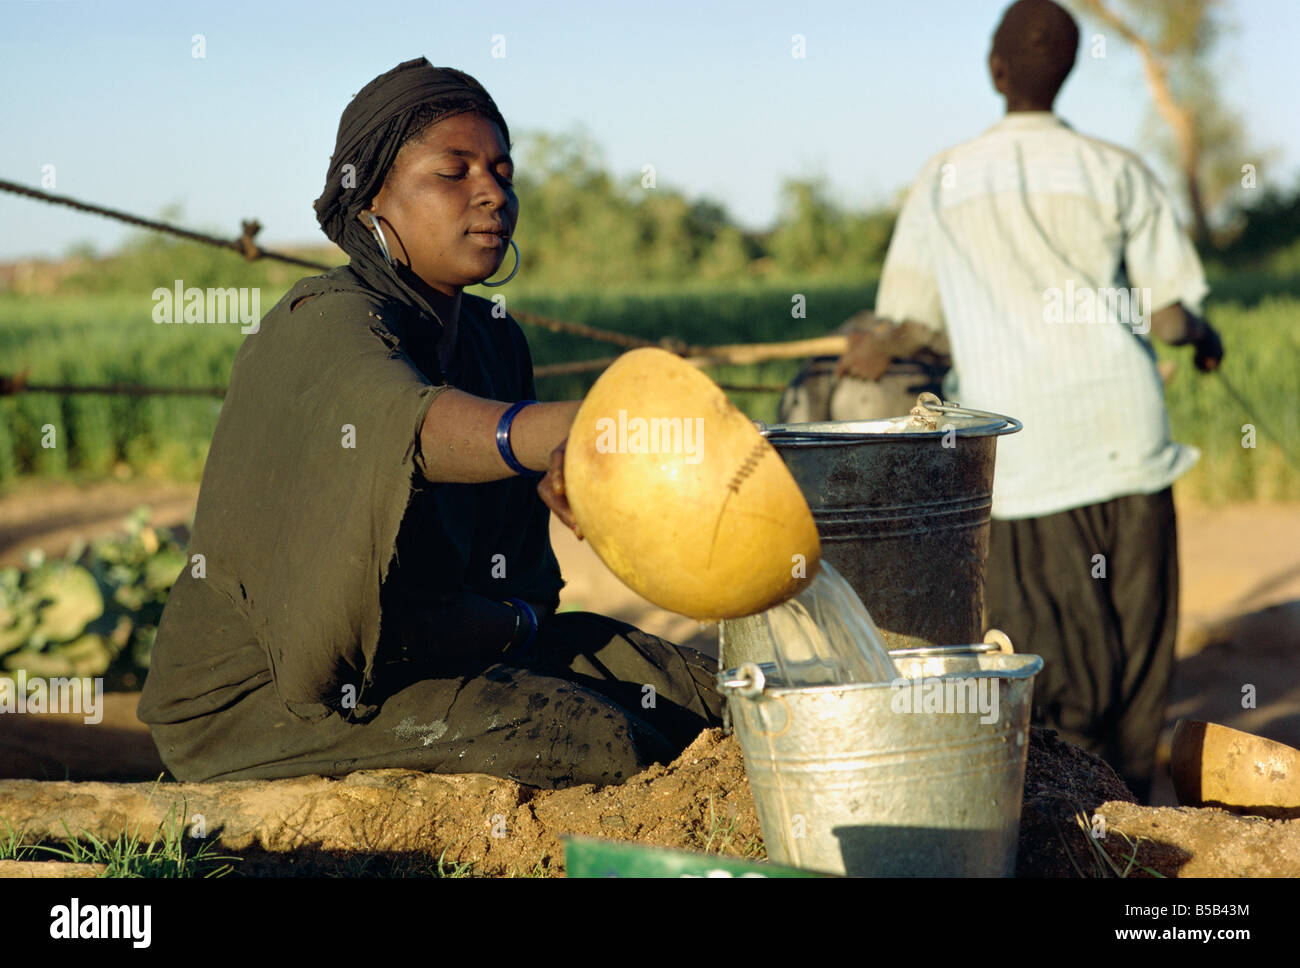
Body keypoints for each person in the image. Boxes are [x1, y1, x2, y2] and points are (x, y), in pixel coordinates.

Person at [137, 58, 723, 789]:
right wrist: (565, 431)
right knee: (594, 739)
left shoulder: (493, 340)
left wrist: (523, 619)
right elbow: (408, 426)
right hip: (263, 703)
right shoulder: (321, 323)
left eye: (502, 171)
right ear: (372, 195)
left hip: (450, 647)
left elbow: (524, 582)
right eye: (455, 172)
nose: (493, 193)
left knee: (699, 691)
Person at [835, 0, 1224, 801]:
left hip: (1030, 462)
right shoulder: (1115, 168)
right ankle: (1140, 829)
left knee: (1057, 688)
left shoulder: (943, 177)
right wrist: (1205, 335)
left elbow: (908, 328)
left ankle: (1078, 833)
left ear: (996, 70)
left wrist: (870, 343)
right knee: (1141, 666)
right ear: (1070, 69)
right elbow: (1168, 314)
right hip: (1131, 445)